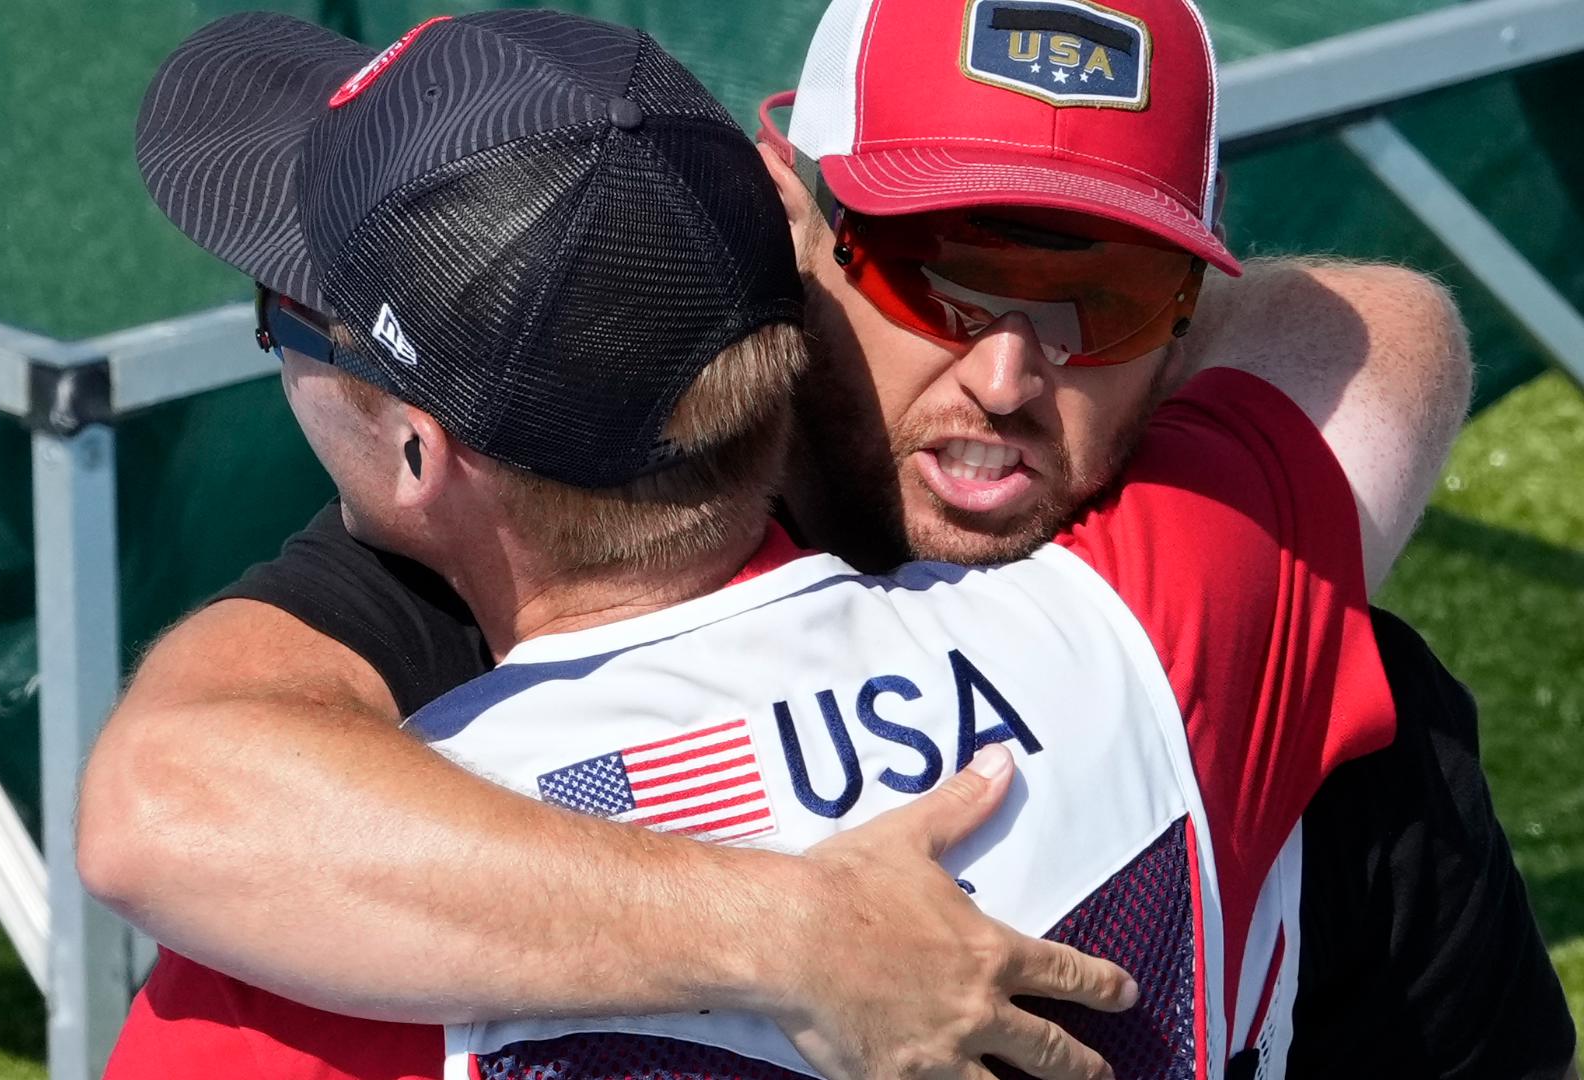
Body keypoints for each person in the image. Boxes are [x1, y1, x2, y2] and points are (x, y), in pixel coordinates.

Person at [81, 2, 1575, 1078]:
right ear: (793, 236)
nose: (1006, 378)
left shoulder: (332, 943)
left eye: (1105, 297)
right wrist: (795, 935)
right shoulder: (1185, 618)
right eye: (937, 276)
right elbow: (170, 794)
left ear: (425, 456)